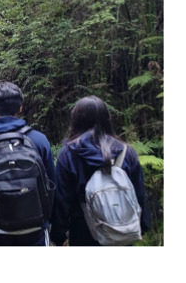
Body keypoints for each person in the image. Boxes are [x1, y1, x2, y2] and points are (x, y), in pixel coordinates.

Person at [0, 81, 56, 246]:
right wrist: (55, 226)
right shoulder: (38, 140)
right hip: (36, 227)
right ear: (20, 109)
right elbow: (52, 185)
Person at [51, 96, 151, 246]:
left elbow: (62, 199)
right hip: (122, 229)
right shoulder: (126, 152)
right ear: (106, 119)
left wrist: (59, 235)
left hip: (84, 231)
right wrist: (142, 226)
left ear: (76, 120)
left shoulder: (69, 154)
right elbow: (139, 193)